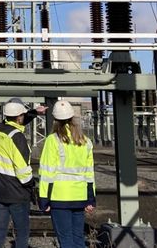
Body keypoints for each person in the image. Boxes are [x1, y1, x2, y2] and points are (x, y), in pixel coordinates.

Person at [37, 100, 96, 248]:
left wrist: (44, 199)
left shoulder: (53, 140)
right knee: (78, 239)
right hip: (80, 196)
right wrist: (90, 199)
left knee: (66, 241)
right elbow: (89, 174)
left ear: (55, 119)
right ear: (72, 117)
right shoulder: (85, 141)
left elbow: (46, 173)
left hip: (60, 197)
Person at [0, 97, 36, 248]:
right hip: (17, 193)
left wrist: (33, 113)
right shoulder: (17, 138)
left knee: (0, 230)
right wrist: (31, 184)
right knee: (22, 232)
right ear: (19, 117)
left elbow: (12, 124)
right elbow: (22, 170)